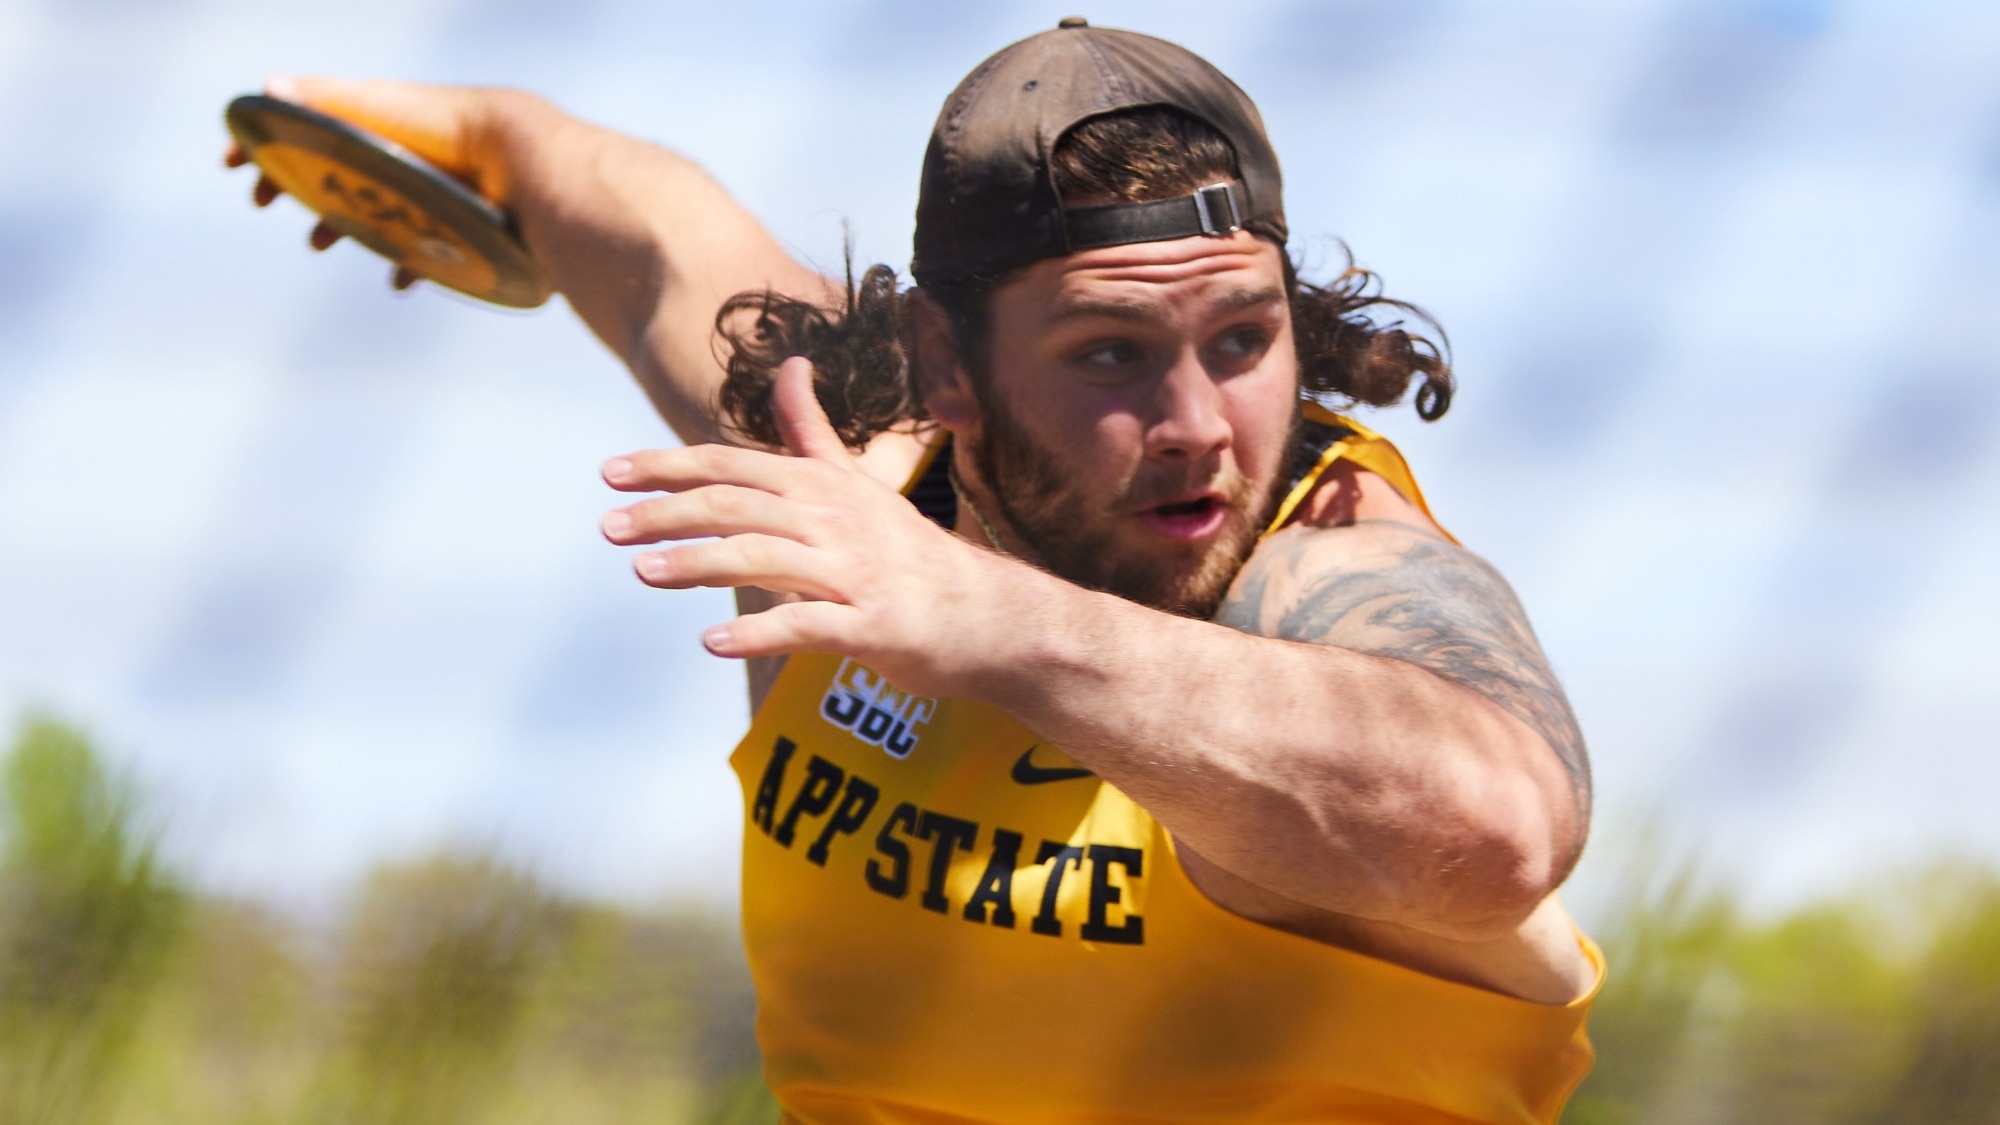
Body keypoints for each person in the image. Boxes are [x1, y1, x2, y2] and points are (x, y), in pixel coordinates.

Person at [232, 20, 1602, 1124]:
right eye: (1110, 352)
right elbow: (648, 229)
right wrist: (475, 150)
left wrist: (986, 620)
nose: (1197, 423)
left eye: (1242, 339)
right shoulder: (845, 488)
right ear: (946, 363)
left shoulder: (1332, 561)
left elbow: (1498, 827)